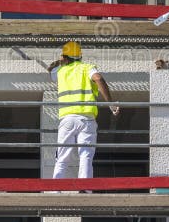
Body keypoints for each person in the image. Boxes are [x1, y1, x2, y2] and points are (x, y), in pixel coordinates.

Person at [47, 41, 120, 179]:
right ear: (80, 56)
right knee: (85, 156)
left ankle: (56, 190)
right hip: (86, 119)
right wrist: (110, 104)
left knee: (62, 157)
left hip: (67, 118)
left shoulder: (61, 72)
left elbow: (50, 70)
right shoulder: (87, 68)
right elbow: (98, 78)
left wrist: (60, 60)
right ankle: (85, 189)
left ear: (65, 57)